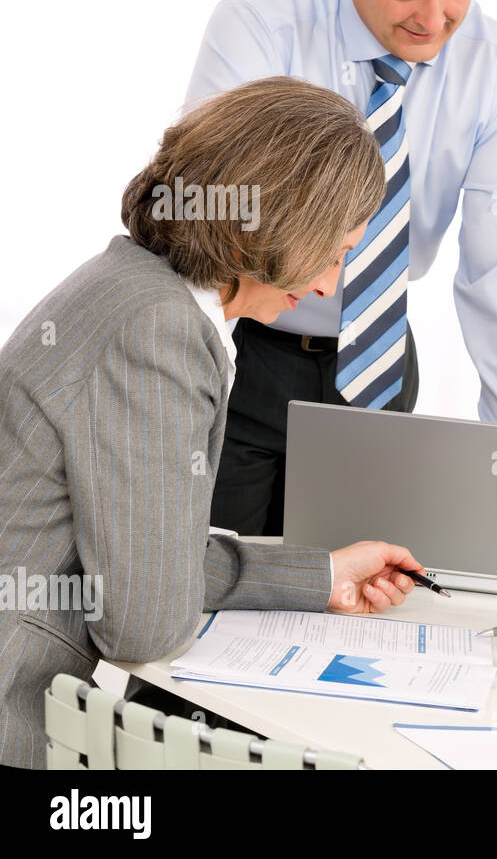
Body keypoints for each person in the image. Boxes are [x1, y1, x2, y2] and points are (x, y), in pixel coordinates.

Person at [0, 78, 426, 770]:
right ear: (268, 227)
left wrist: (322, 574)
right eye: (332, 252)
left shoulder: (131, 286)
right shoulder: (158, 331)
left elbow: (155, 559)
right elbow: (145, 626)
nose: (327, 286)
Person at [186, 0, 497, 536]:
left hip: (382, 364)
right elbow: (207, 217)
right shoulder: (262, 27)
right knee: (215, 579)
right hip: (251, 358)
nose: (433, 18)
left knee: (354, 593)